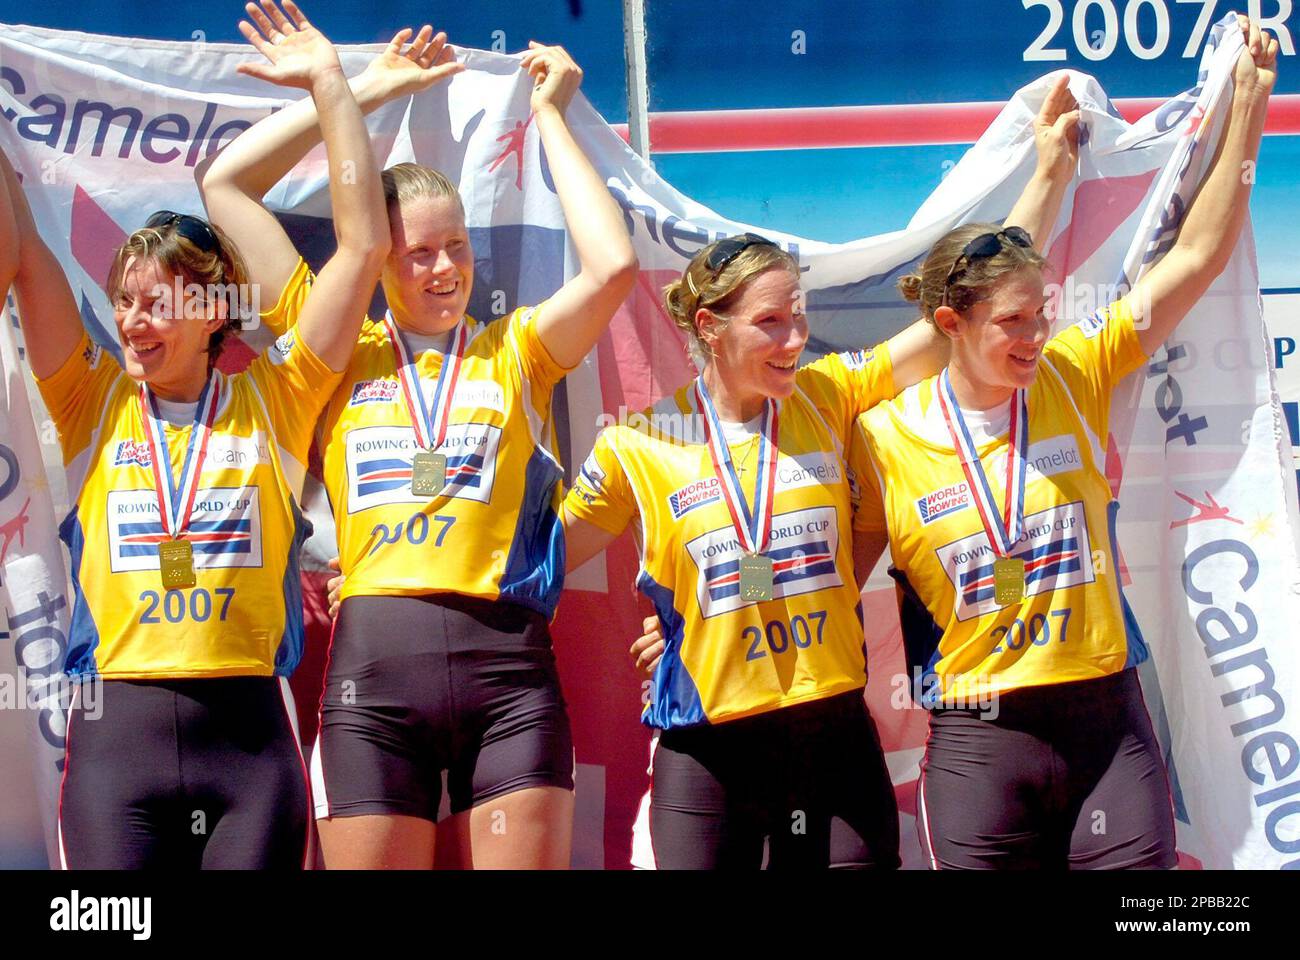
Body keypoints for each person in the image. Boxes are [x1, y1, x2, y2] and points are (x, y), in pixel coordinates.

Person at [597, 79, 1081, 868]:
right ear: (709, 328)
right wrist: (374, 573)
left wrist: (1048, 176)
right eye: (771, 321)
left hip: (828, 734)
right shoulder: (644, 438)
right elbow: (543, 546)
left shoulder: (830, 393)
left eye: (800, 315)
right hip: (707, 751)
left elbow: (965, 300)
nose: (795, 339)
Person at [200, 13, 637, 869]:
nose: (445, 269)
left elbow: (613, 267)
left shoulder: (516, 350)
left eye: (458, 248)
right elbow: (226, 189)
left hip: (509, 673)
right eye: (418, 254)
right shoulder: (329, 346)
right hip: (374, 677)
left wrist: (548, 114)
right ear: (376, 263)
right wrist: (365, 91)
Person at [845, 17, 1277, 870]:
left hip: (1105, 730)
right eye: (1012, 322)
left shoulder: (1076, 369)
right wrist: (680, 628)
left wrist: (1250, 114)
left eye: (1041, 315)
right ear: (948, 325)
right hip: (978, 746)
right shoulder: (882, 434)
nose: (1036, 335)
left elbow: (1193, 257)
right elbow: (834, 583)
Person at [0, 0, 388, 868]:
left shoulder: (278, 401)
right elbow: (24, 251)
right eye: (125, 301)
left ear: (213, 310)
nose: (133, 321)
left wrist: (331, 82)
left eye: (157, 302)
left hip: (248, 747)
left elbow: (361, 248)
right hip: (115, 751)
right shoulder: (90, 401)